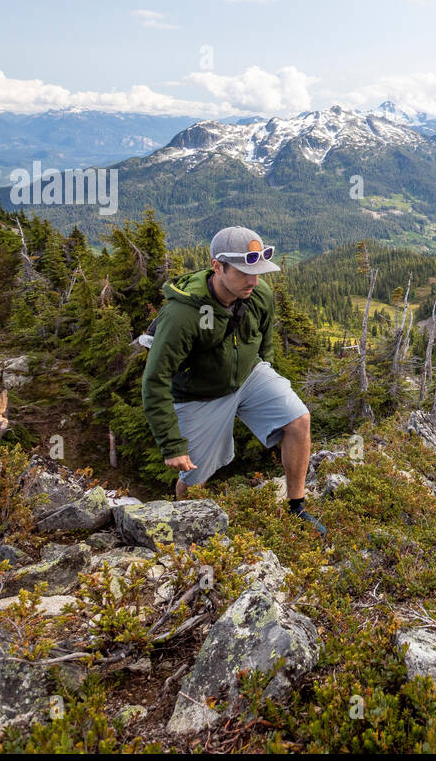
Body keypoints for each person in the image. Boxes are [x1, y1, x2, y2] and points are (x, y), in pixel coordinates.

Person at [139, 226, 324, 534]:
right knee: (193, 478)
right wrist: (172, 445)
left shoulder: (259, 293)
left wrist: (270, 375)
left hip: (249, 374)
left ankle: (296, 507)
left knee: (299, 420)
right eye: (243, 272)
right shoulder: (182, 316)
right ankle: (184, 526)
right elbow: (155, 381)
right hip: (200, 395)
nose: (253, 280)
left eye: (258, 272)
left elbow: (265, 341)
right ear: (217, 267)